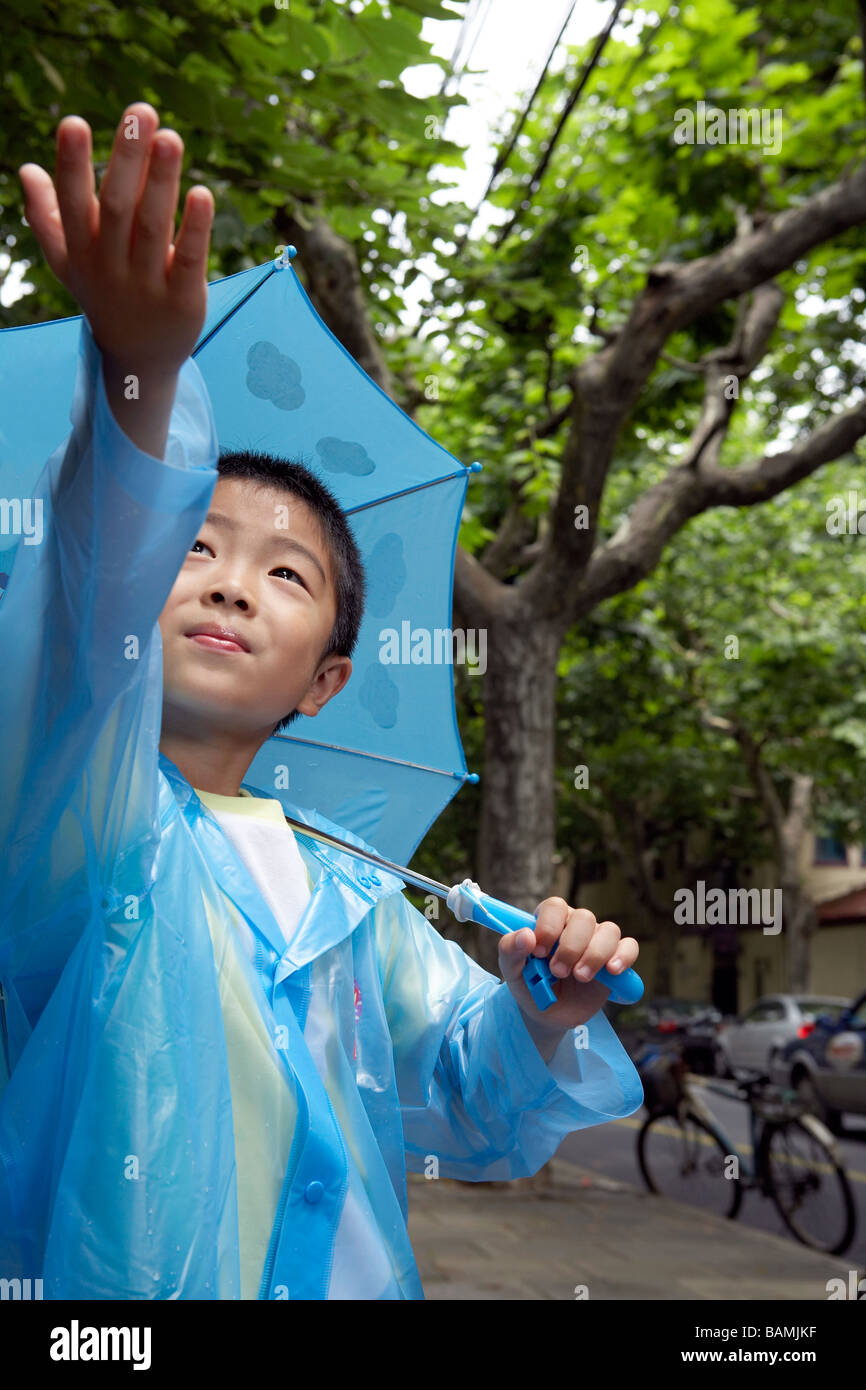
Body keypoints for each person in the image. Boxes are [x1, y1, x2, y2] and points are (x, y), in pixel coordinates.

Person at [0, 102, 644, 1300]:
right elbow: (87, 592)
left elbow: (464, 1093)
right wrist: (138, 366)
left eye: (285, 574)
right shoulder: (67, 796)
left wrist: (543, 1013)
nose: (233, 582)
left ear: (325, 680)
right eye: (189, 546)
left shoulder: (356, 888)